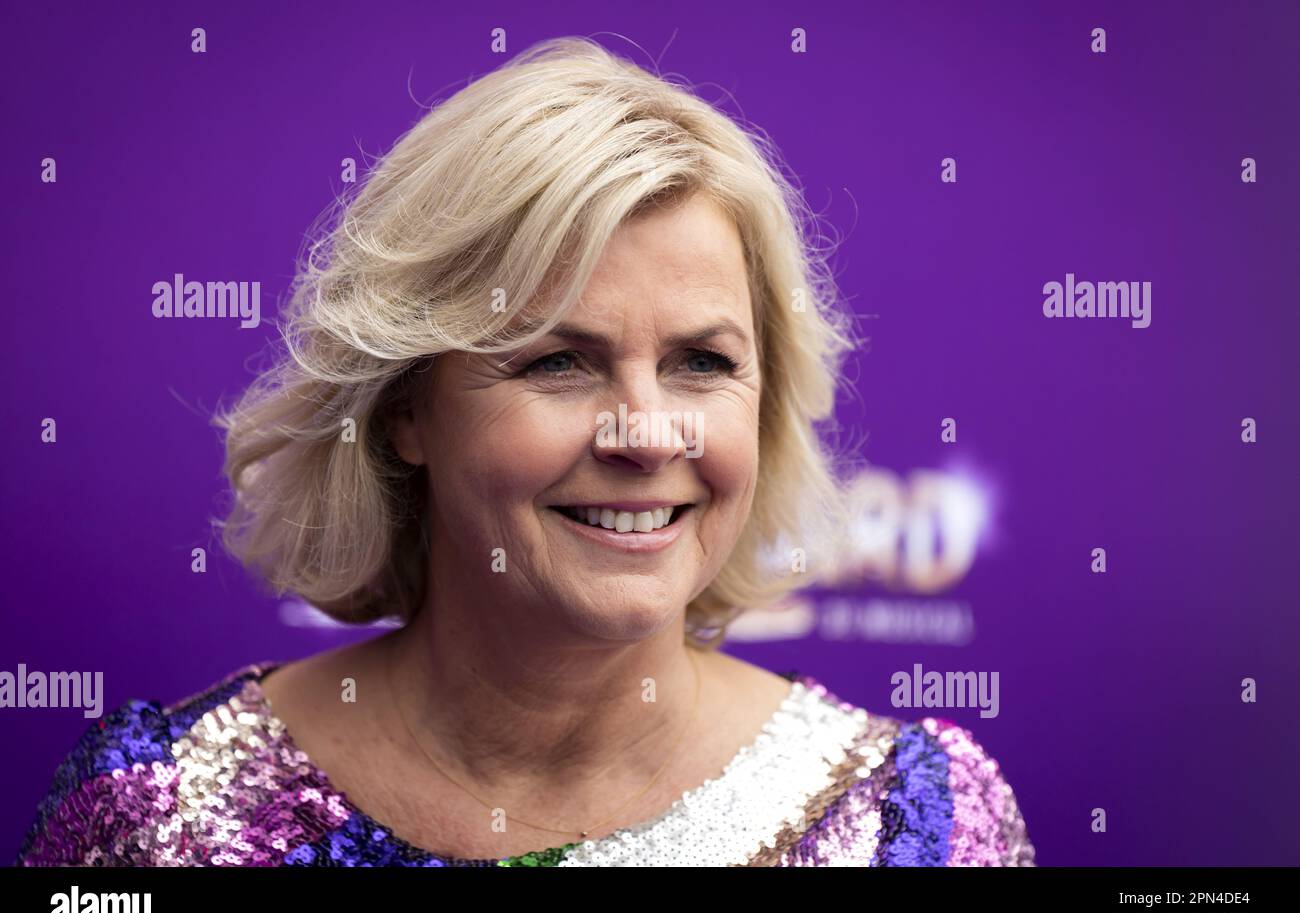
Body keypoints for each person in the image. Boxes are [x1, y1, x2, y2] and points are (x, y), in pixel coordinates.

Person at [16, 36, 1034, 867]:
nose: (646, 433)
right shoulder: (155, 820)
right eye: (557, 363)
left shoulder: (916, 827)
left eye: (699, 361)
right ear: (405, 409)